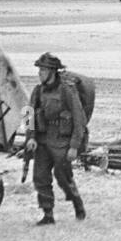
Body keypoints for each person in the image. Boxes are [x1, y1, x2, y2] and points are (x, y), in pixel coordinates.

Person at [25, 53, 87, 225]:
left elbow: (79, 118)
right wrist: (30, 137)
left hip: (62, 142)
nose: (40, 73)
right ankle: (48, 214)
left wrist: (74, 146)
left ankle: (77, 204)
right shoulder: (38, 91)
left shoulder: (67, 90)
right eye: (39, 70)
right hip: (43, 141)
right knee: (40, 178)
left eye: (43, 70)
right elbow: (28, 114)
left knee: (63, 177)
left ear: (53, 72)